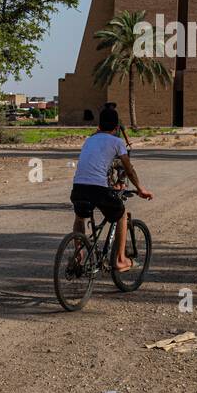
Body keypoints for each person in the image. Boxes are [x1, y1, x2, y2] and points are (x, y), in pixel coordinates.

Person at [69, 106, 151, 272]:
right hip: (97, 189)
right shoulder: (117, 142)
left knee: (80, 218)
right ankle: (120, 260)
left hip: (78, 187)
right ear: (116, 128)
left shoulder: (89, 140)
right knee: (121, 216)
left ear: (98, 126)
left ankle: (79, 254)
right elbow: (128, 169)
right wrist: (140, 189)